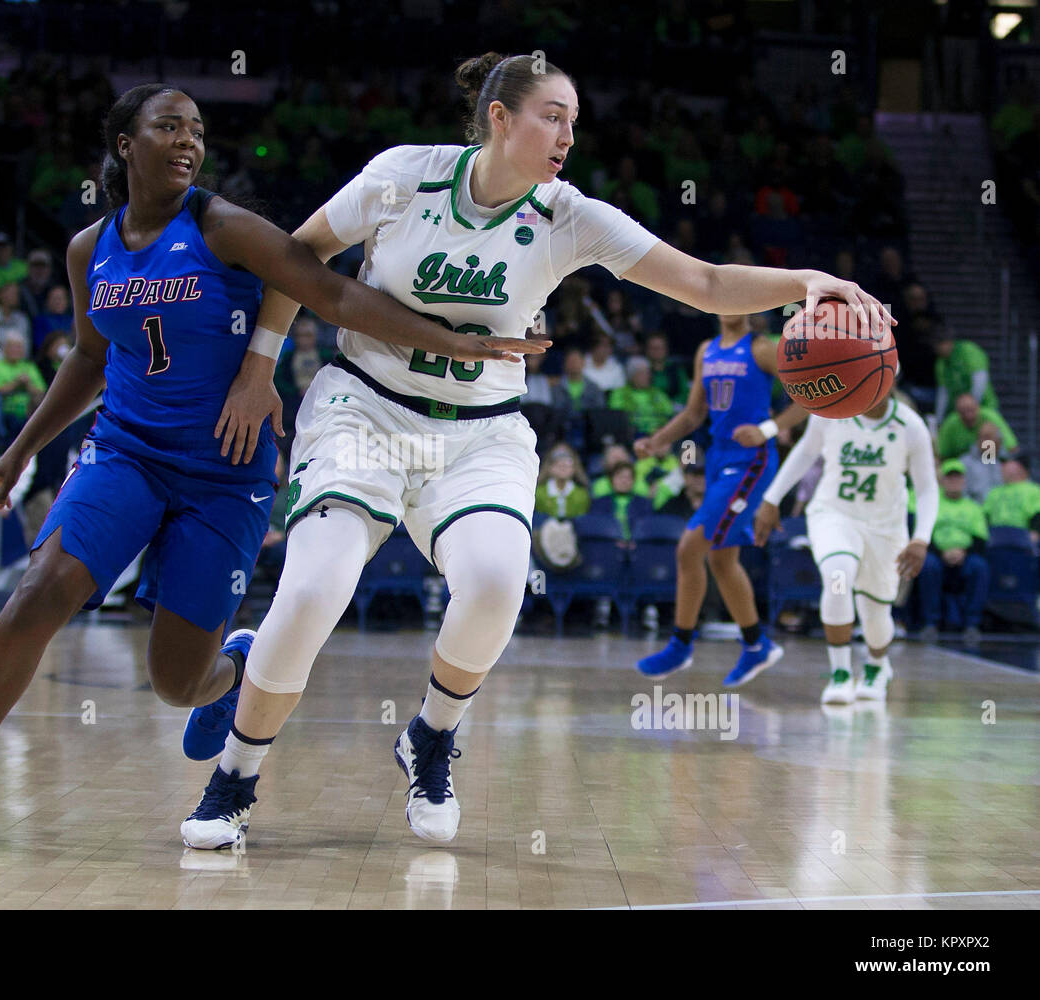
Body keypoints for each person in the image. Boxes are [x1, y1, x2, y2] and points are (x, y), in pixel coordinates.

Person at [179, 53, 892, 851]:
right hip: (365, 408)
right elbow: (292, 260)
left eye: (575, 122)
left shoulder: (569, 214)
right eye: (553, 116)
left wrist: (808, 281)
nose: (567, 136)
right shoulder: (404, 178)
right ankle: (235, 775)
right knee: (314, 590)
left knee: (493, 583)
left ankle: (430, 736)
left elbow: (706, 282)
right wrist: (257, 367)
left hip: (482, 429)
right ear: (498, 117)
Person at [0, 82, 542, 844]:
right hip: (125, 452)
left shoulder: (226, 227)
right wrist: (16, 453)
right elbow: (89, 356)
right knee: (43, 587)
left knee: (176, 684)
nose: (187, 142)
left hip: (224, 471)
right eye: (168, 127)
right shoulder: (87, 249)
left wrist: (453, 342)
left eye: (196, 131)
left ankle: (233, 668)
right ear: (124, 145)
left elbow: (331, 291)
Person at [633, 312, 814, 686]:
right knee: (720, 558)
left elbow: (809, 396)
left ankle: (680, 644)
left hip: (751, 461)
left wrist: (767, 428)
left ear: (752, 306)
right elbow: (694, 413)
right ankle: (756, 645)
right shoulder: (706, 350)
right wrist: (658, 441)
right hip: (718, 457)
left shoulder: (763, 349)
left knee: (689, 548)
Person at [754, 386, 938, 703]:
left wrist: (921, 538)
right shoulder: (831, 412)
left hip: (885, 525)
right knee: (838, 574)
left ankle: (877, 665)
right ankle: (840, 674)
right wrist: (771, 498)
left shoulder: (910, 426)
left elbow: (925, 488)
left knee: (875, 613)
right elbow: (806, 452)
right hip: (834, 513)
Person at [919, 459, 990, 643]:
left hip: (965, 556)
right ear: (942, 481)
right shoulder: (932, 504)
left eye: (957, 478)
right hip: (937, 554)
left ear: (964, 481)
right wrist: (941, 552)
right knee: (927, 565)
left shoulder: (973, 508)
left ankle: (971, 625)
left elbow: (980, 539)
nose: (954, 482)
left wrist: (962, 552)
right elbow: (924, 533)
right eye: (949, 478)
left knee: (980, 567)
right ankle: (930, 623)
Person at [984, 452, 1040, 540]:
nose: (1003, 467)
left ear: (1020, 469)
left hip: (1022, 536)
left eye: (1008, 465)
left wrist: (1035, 531)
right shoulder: (994, 492)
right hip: (996, 536)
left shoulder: (1033, 490)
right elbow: (986, 516)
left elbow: (1037, 513)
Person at [535, 444, 590, 519]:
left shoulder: (582, 495)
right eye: (558, 463)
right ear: (549, 468)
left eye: (567, 464)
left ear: (573, 469)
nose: (563, 466)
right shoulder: (538, 493)